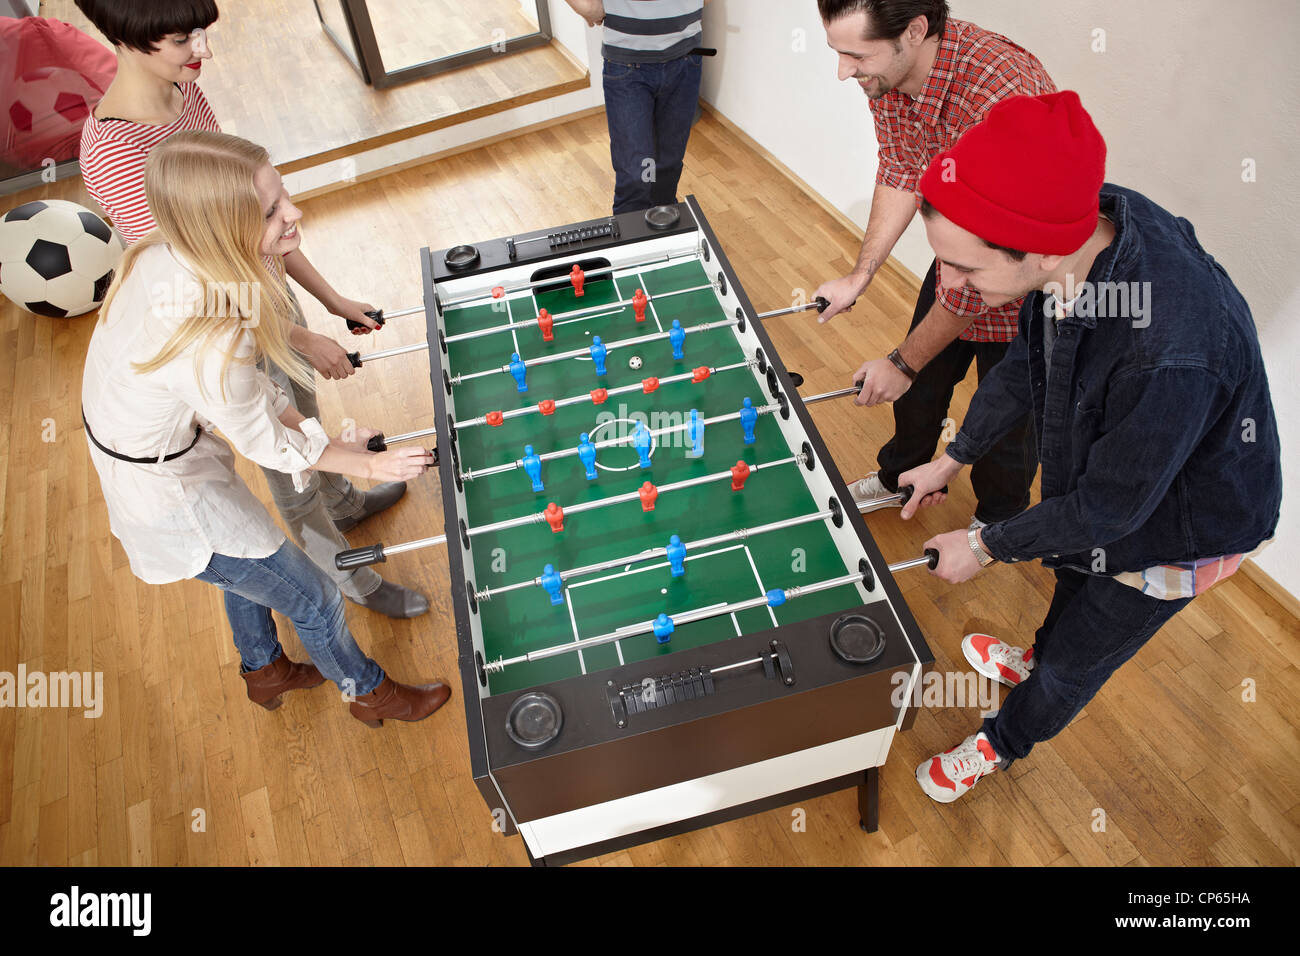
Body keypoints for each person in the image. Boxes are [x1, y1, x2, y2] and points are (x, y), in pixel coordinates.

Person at [894, 91, 1281, 802]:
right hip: (1109, 493)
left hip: (1181, 527)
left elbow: (1108, 514)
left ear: (1040, 252)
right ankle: (1035, 653)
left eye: (967, 271)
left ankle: (1002, 742)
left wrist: (983, 546)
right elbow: (1028, 365)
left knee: (1078, 659)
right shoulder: (1080, 229)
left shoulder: (1170, 349)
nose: (948, 287)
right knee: (1072, 575)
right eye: (942, 262)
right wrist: (953, 458)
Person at [82, 130, 451, 726]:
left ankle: (264, 670)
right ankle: (368, 694)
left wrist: (328, 444)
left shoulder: (175, 255)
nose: (294, 213)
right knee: (316, 595)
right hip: (167, 495)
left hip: (163, 452)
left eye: (283, 197)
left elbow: (256, 392)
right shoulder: (207, 333)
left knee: (247, 567)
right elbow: (264, 440)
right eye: (271, 211)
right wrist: (363, 461)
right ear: (226, 230)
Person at [74, 0, 429, 619]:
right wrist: (296, 337)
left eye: (202, 33)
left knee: (307, 415)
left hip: (264, 306)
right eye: (184, 38)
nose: (203, 52)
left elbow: (258, 222)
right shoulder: (114, 152)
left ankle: (342, 499)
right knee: (286, 454)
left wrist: (329, 301)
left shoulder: (186, 93)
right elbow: (202, 284)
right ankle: (350, 581)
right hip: (221, 334)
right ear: (129, 38)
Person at [812, 0, 1054, 531]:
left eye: (855, 55)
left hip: (1033, 288)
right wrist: (861, 274)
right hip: (963, 265)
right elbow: (900, 166)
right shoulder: (888, 77)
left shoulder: (999, 100)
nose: (843, 71)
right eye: (838, 52)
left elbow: (982, 281)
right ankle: (904, 475)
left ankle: (997, 523)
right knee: (920, 392)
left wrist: (900, 363)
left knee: (1009, 425)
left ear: (915, 32)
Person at [564, 0, 710, 214]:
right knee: (635, 175)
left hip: (686, 57)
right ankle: (632, 243)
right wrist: (584, 5)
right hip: (627, 64)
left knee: (667, 167)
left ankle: (663, 236)